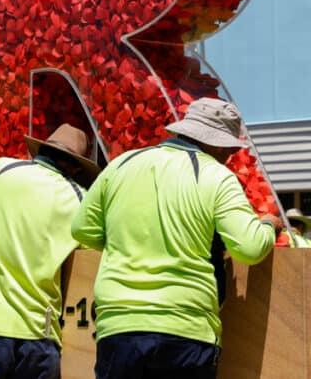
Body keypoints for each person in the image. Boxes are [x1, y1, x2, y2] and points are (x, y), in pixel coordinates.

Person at [71, 97, 282, 379]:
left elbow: (82, 229)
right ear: (217, 144)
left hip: (119, 327)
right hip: (186, 330)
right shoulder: (216, 176)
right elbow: (250, 248)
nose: (230, 156)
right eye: (230, 149)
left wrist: (127, 242)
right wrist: (268, 225)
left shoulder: (122, 164)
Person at [0, 123, 100, 379]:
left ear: (41, 151)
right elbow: (90, 255)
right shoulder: (79, 199)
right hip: (39, 336)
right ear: (75, 168)